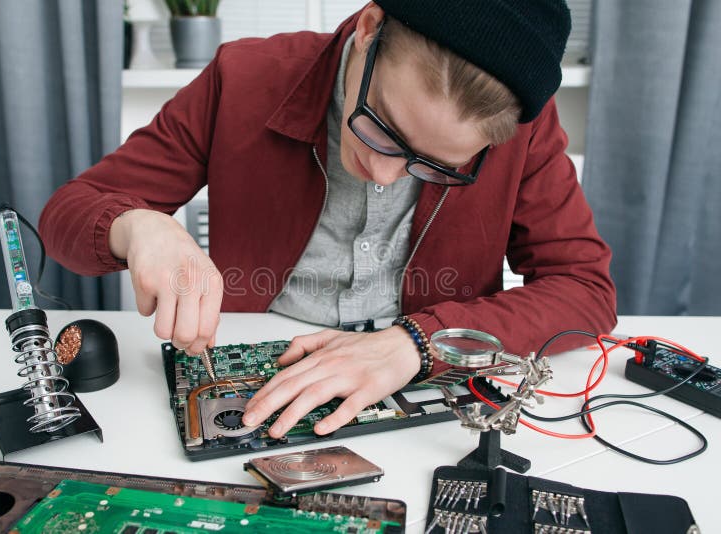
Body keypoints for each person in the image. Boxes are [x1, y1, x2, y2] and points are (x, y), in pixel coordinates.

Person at [40, 1, 616, 439]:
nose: (387, 175)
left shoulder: (521, 129)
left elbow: (585, 289)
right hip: (250, 374)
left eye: (437, 166)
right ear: (369, 29)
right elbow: (70, 213)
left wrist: (418, 343)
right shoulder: (245, 77)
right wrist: (137, 225)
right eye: (382, 129)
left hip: (432, 398)